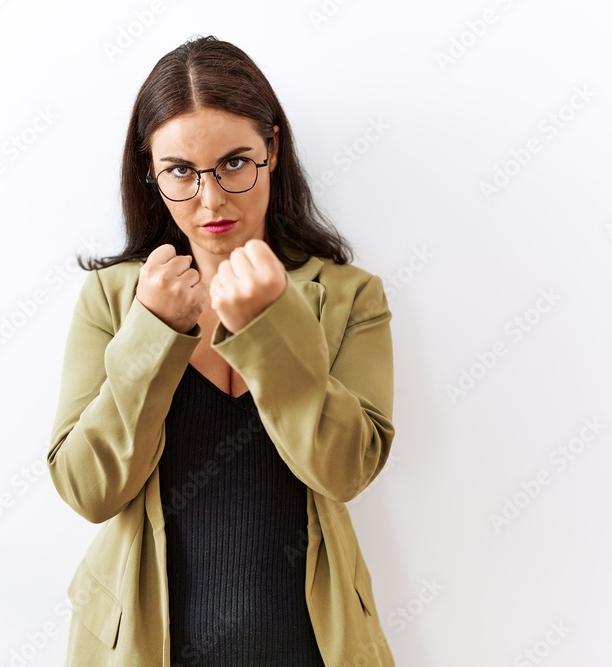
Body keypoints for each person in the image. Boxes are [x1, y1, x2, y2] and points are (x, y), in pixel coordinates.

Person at [47, 35, 396, 666]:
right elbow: (86, 490)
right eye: (181, 170)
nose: (211, 200)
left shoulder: (350, 297)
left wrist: (269, 327)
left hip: (310, 649)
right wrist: (152, 331)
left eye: (234, 162)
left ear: (272, 149)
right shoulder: (113, 298)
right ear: (151, 172)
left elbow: (346, 472)